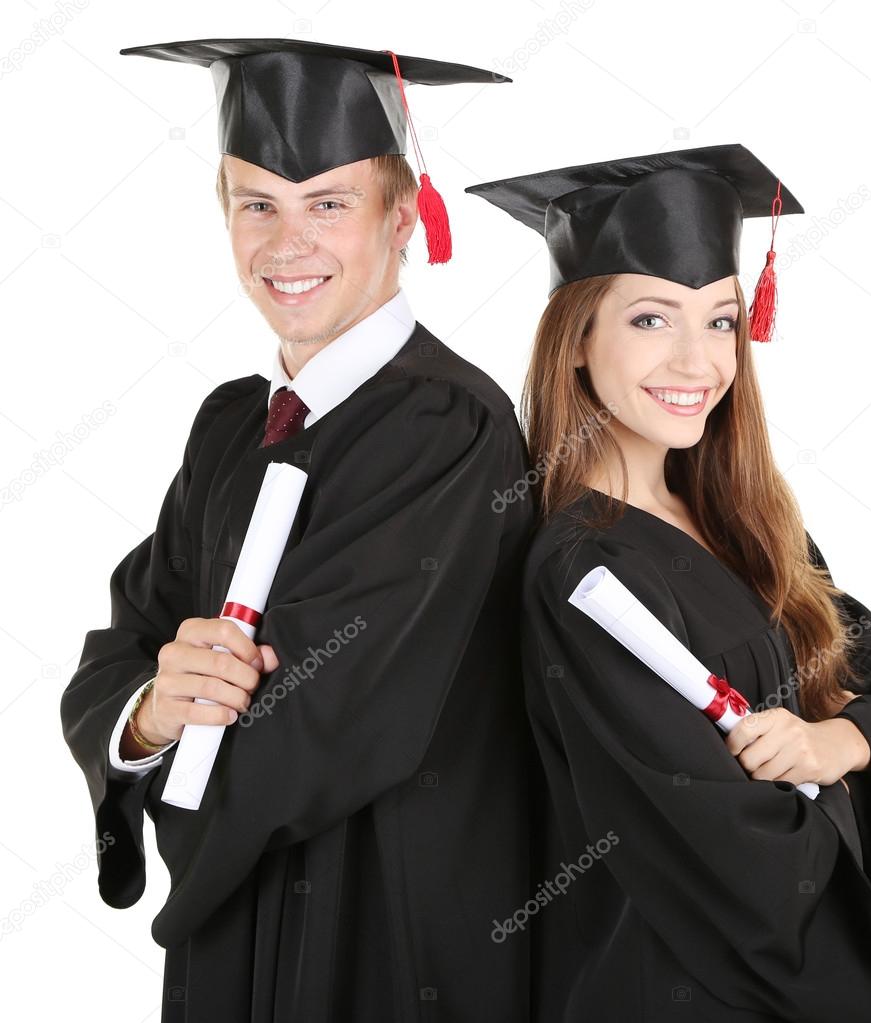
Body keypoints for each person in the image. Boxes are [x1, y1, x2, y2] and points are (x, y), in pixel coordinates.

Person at [60, 39, 535, 1021]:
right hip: (240, 931)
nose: (287, 244)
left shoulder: (446, 425)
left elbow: (325, 721)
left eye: (328, 204)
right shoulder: (234, 423)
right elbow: (131, 637)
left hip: (388, 930)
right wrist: (150, 716)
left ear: (402, 217)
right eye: (257, 205)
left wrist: (195, 768)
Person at [466, 144, 871, 1022]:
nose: (697, 361)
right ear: (577, 342)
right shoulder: (582, 573)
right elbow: (732, 852)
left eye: (721, 320)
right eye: (652, 318)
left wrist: (835, 745)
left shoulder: (750, 522)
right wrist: (850, 754)